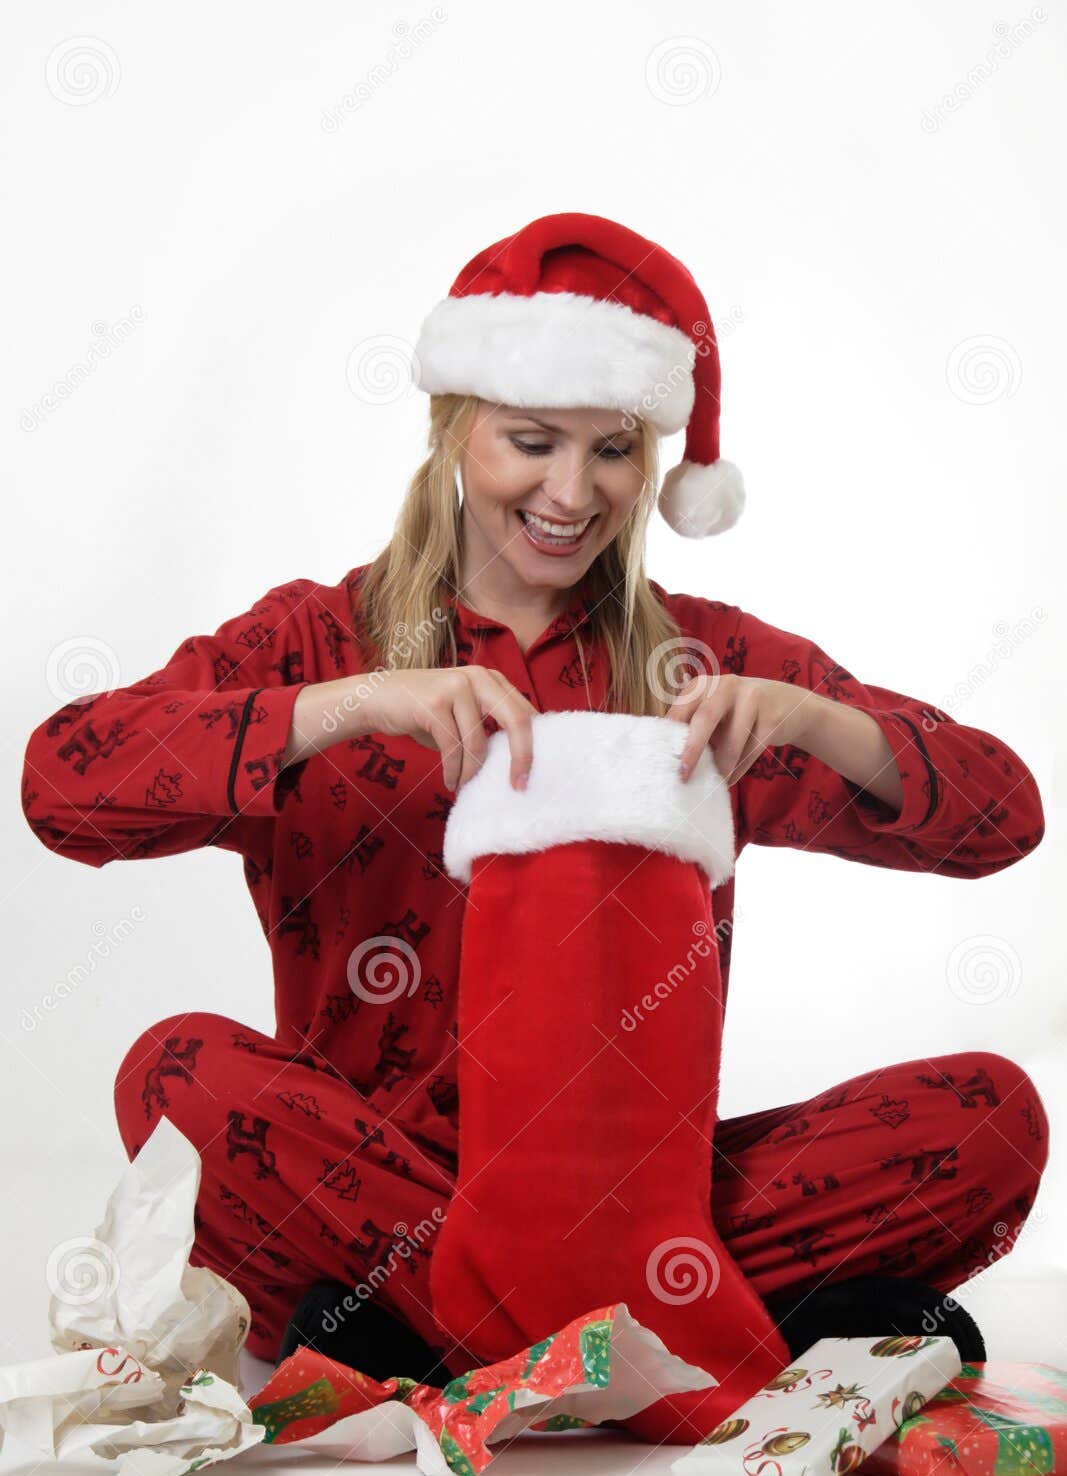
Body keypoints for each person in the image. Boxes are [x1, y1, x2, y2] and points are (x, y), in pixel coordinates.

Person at [21, 213, 1048, 1407]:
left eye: (613, 451)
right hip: (381, 1182)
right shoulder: (315, 639)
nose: (571, 492)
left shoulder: (697, 665)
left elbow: (999, 816)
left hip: (641, 1193)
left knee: (994, 1118)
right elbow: (63, 780)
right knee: (175, 1074)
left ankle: (452, 1337)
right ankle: (668, 1326)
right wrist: (342, 707)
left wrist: (820, 722)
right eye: (529, 442)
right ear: (453, 428)